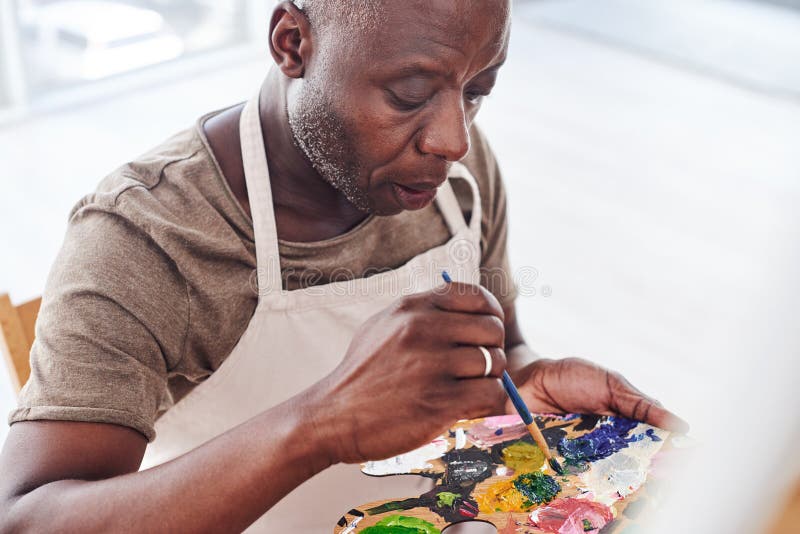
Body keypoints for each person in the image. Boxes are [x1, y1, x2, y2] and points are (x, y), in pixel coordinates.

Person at [0, 1, 687, 531]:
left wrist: (527, 383)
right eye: (411, 94)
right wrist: (321, 423)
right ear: (292, 43)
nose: (452, 137)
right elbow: (28, 516)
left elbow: (497, 355)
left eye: (477, 90)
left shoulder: (459, 177)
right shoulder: (146, 239)